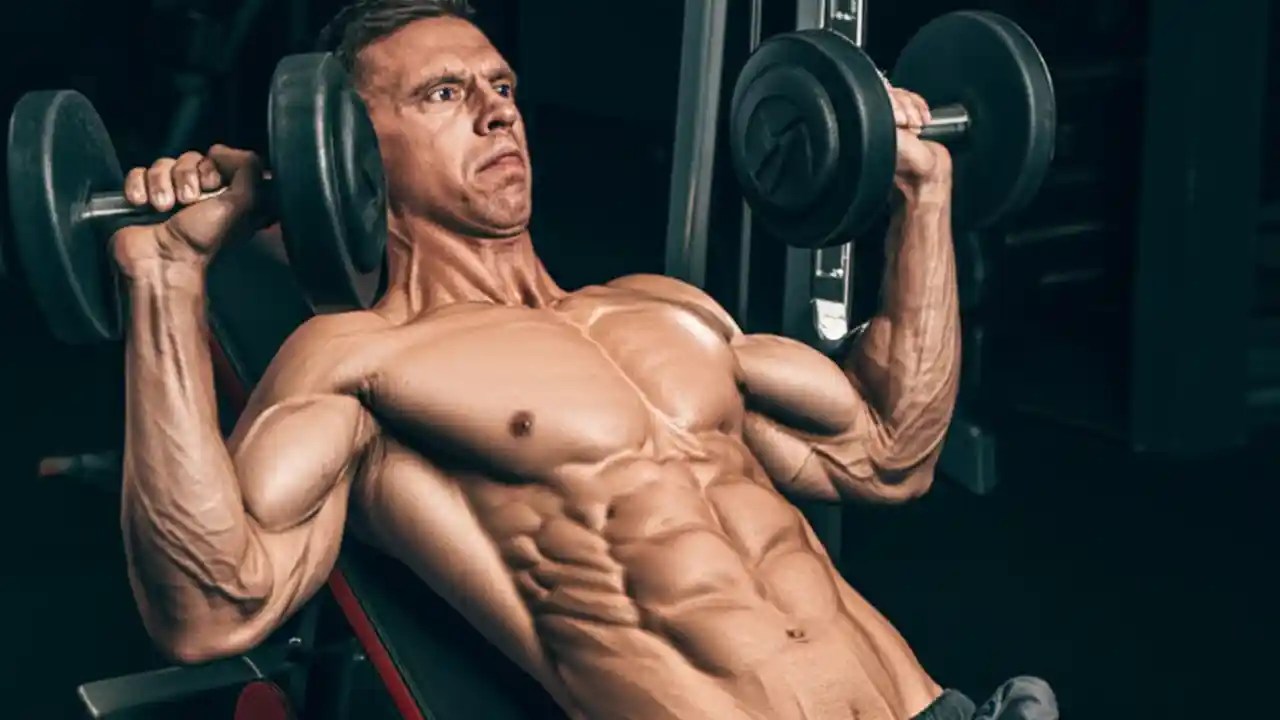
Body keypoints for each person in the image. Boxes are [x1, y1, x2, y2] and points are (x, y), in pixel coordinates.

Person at [111, 1, 1057, 718]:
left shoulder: (663, 308)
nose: (495, 115)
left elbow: (891, 455)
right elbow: (209, 609)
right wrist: (167, 280)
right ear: (349, 147)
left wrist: (922, 197)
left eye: (503, 88)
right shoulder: (363, 361)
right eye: (444, 94)